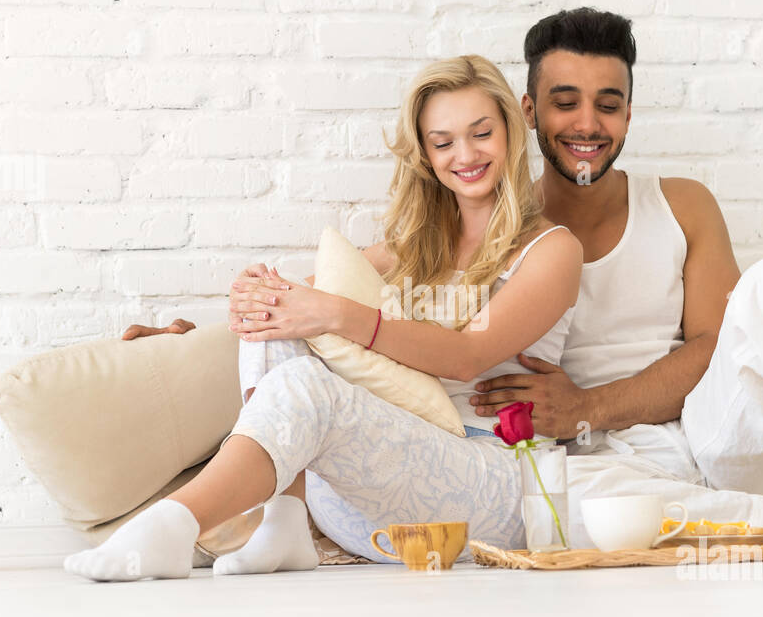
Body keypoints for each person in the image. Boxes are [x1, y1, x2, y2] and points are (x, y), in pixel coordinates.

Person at [64, 54, 583, 582]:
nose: (465, 155)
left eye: (481, 134)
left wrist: (337, 314)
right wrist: (197, 330)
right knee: (276, 310)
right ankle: (284, 524)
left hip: (495, 495)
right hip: (365, 509)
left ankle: (172, 525)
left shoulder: (552, 251)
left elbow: (467, 355)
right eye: (444, 142)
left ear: (511, 132)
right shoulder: (414, 247)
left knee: (311, 376)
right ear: (425, 155)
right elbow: (292, 309)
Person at [464, 7, 763, 548]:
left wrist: (588, 408)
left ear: (629, 114)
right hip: (594, 470)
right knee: (560, 506)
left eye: (608, 106)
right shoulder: (493, 223)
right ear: (528, 110)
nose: (588, 124)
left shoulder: (682, 204)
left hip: (706, 441)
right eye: (565, 103)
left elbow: (717, 346)